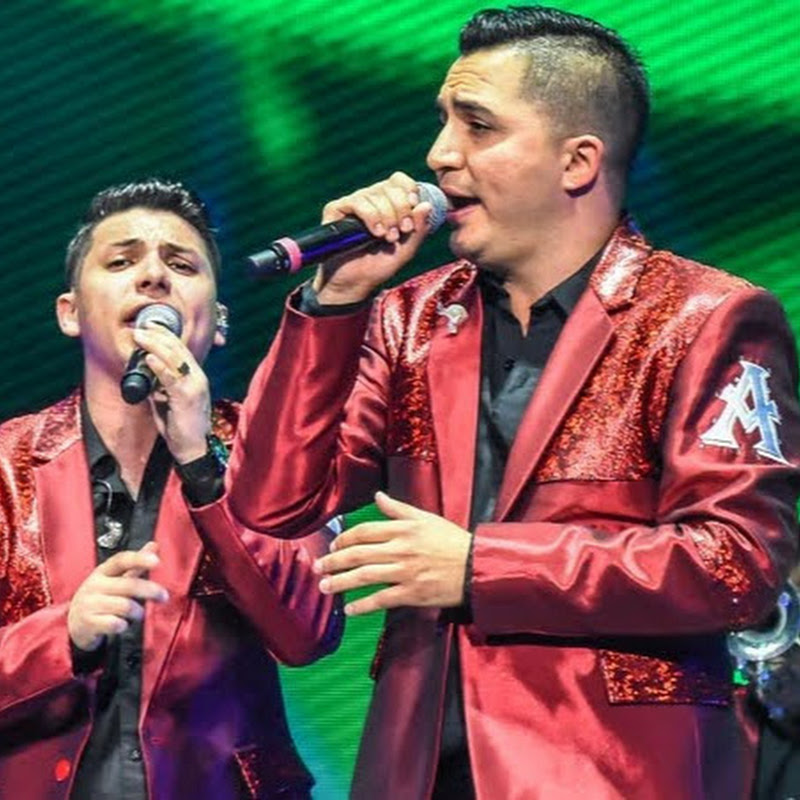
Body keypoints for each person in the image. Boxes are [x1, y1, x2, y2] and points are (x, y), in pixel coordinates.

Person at [228, 6, 800, 799]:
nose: (439, 155)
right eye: (442, 122)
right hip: (418, 768)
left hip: (609, 774)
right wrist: (334, 303)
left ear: (578, 161)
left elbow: (736, 562)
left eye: (478, 126)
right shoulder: (406, 318)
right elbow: (272, 501)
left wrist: (480, 566)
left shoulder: (705, 318)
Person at [0, 179, 342, 800]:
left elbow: (309, 632)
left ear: (219, 324)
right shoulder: (7, 462)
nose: (154, 275)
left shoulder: (273, 449)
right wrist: (61, 634)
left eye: (181, 265)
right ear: (70, 312)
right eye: (121, 262)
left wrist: (200, 459)